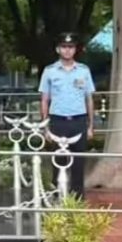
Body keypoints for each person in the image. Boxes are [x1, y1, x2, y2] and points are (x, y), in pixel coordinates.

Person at [38, 32, 95, 197]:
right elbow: (44, 100)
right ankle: (57, 196)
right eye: (64, 47)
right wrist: (45, 127)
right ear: (58, 49)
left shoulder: (83, 71)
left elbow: (89, 98)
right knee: (58, 162)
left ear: (75, 49)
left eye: (70, 47)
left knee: (78, 163)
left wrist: (91, 126)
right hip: (58, 122)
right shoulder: (50, 71)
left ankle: (77, 200)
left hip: (78, 121)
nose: (67, 50)